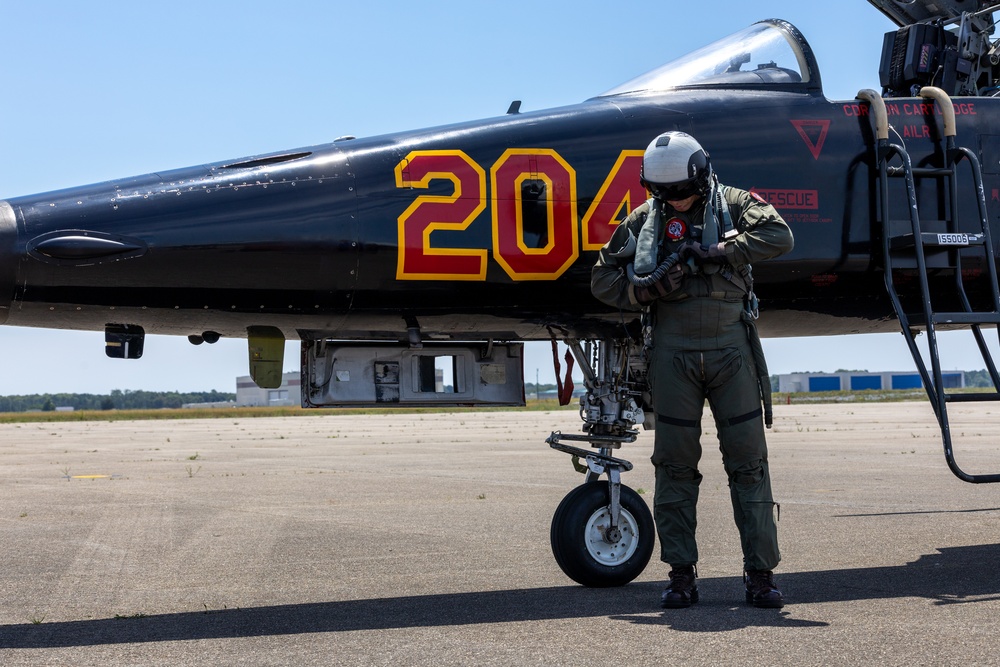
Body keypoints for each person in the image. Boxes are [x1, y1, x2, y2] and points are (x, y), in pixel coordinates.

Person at [591, 131, 793, 609]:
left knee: (749, 465)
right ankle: (681, 574)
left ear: (700, 178)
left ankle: (760, 575)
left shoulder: (735, 204)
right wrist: (646, 290)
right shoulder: (645, 221)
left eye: (682, 191)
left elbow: (779, 236)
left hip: (731, 354)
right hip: (673, 357)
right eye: (666, 194)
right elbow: (602, 278)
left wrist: (718, 252)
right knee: (674, 467)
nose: (676, 201)